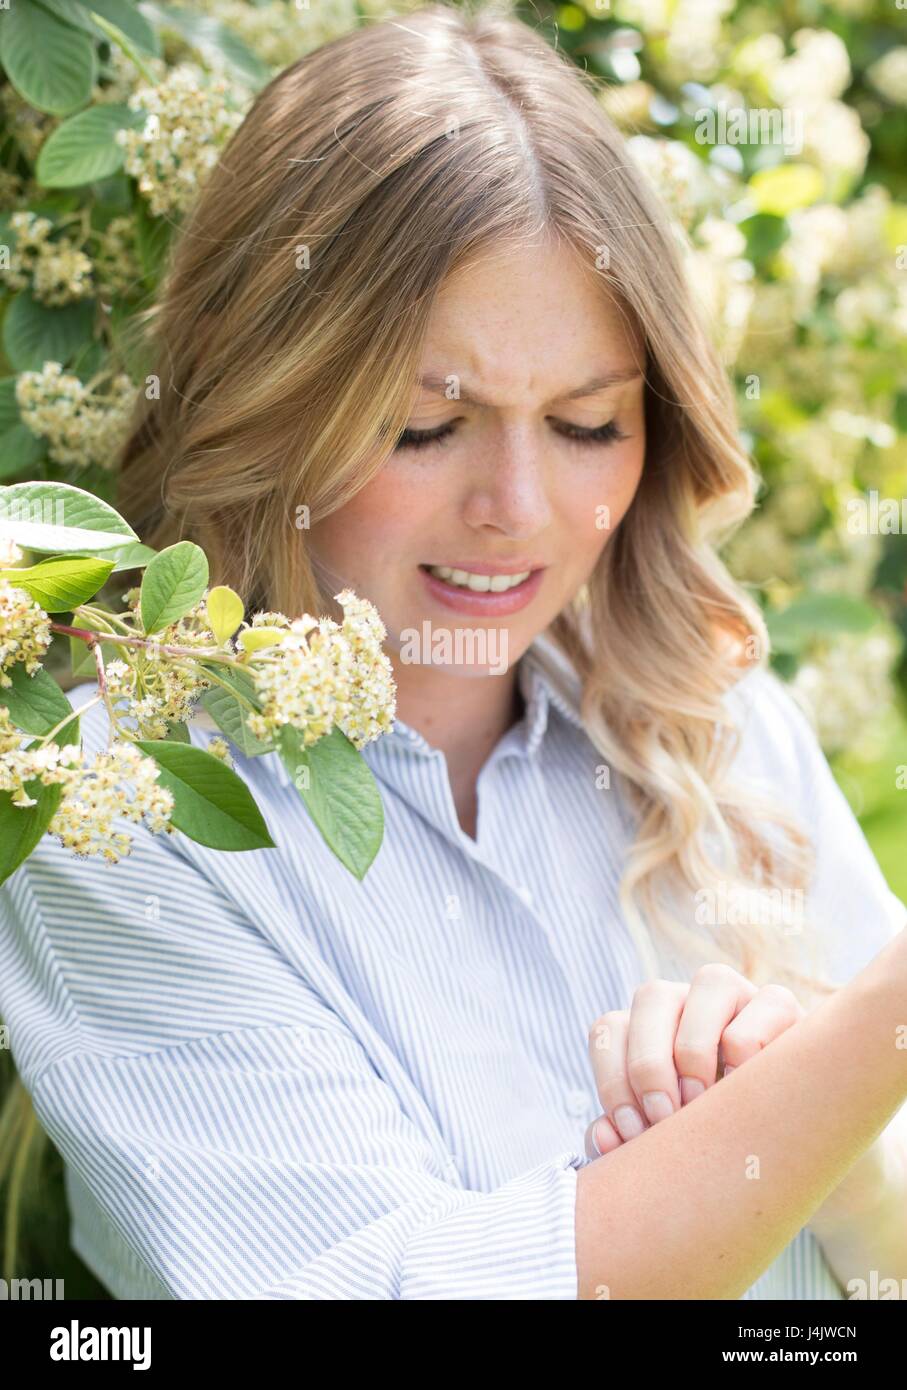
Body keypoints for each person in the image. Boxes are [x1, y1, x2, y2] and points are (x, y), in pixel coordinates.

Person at [1, 3, 905, 1301]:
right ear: (272, 404)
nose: (519, 507)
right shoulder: (121, 803)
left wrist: (833, 1148)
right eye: (427, 426)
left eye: (589, 422)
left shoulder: (712, 716)